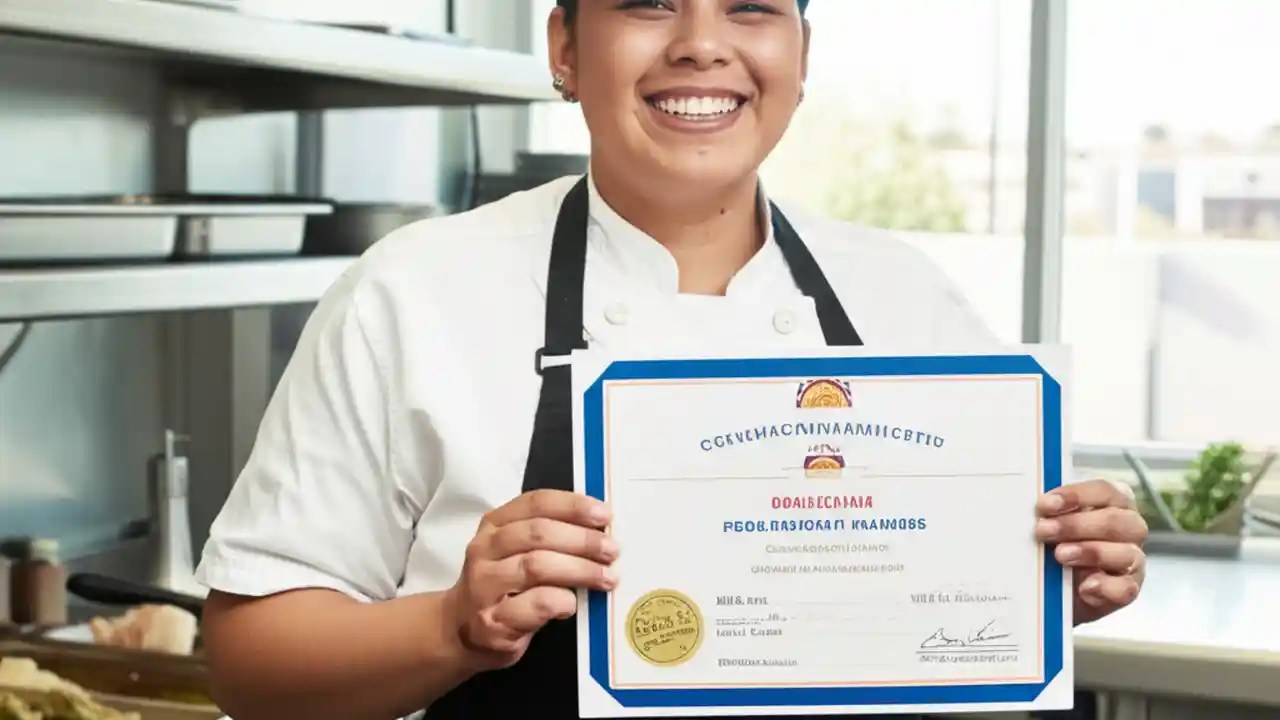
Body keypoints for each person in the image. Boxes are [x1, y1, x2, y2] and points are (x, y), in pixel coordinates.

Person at [195, 1, 1150, 719]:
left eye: (752, 6)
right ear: (564, 48)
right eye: (649, 0)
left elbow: (970, 627)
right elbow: (249, 664)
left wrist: (1064, 571)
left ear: (802, 56)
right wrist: (452, 624)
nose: (701, 40)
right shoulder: (414, 292)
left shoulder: (907, 297)